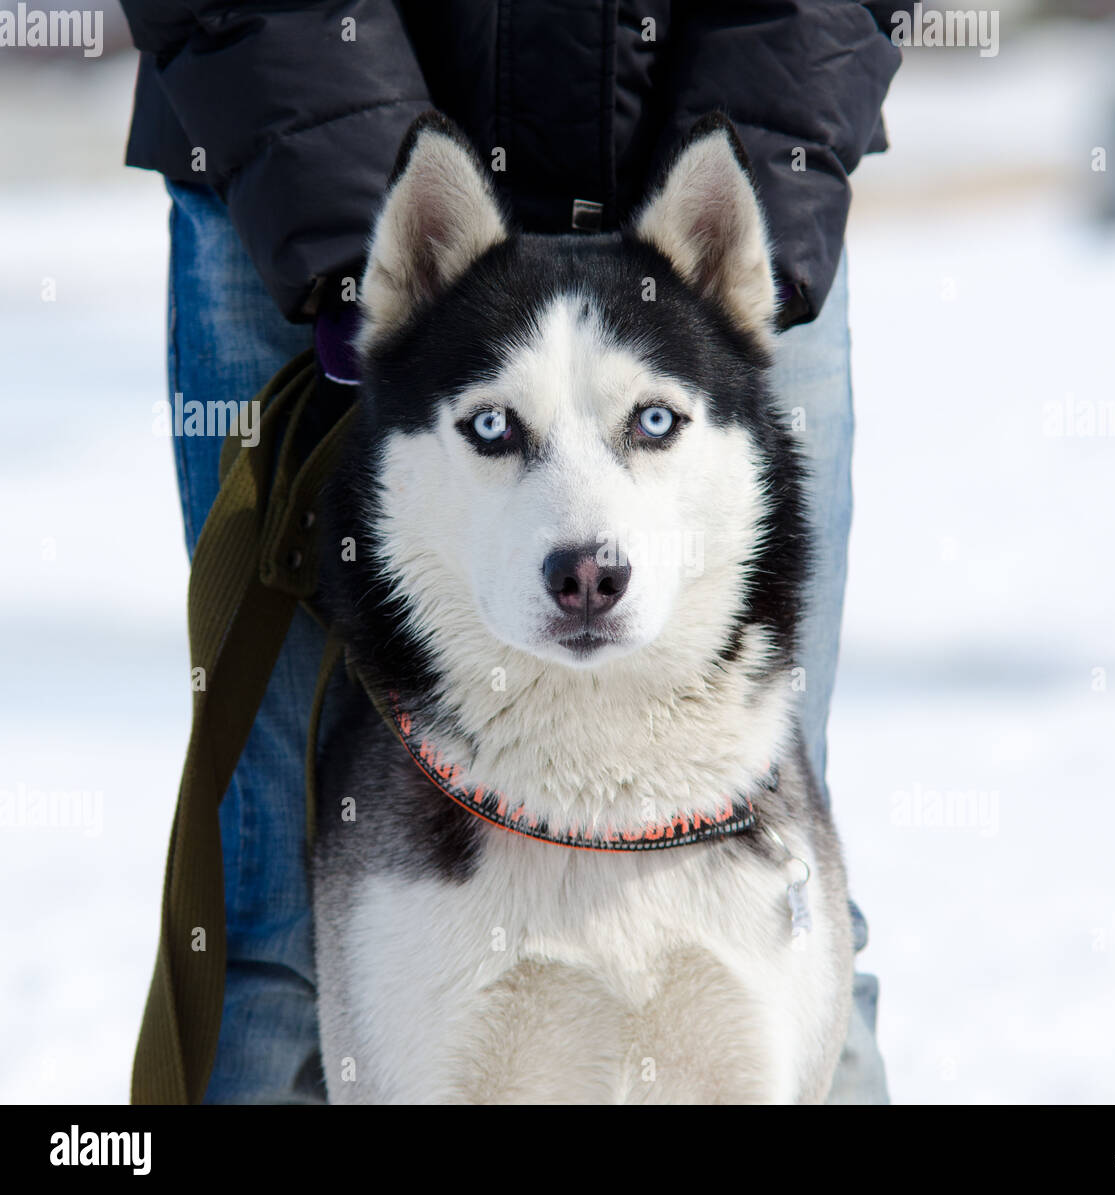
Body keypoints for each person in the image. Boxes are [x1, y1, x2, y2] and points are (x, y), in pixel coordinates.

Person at [120, 0, 903, 1104]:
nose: (585, 560)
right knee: (270, 935)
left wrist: (753, 181)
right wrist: (396, 267)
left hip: (728, 172)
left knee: (788, 900)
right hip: (288, 163)